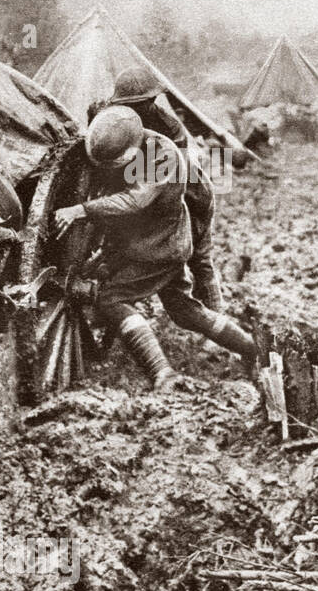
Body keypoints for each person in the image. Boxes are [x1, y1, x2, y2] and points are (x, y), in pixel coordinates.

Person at [53, 106, 256, 390]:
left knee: (110, 298)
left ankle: (163, 373)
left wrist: (81, 210)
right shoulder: (124, 141)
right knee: (184, 310)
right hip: (152, 244)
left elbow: (134, 201)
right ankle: (254, 350)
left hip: (159, 249)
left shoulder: (162, 155)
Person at [91, 66, 225, 311]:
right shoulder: (118, 117)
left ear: (151, 100)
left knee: (200, 259)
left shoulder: (170, 129)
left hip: (189, 195)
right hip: (148, 189)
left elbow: (172, 182)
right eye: (127, 103)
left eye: (139, 103)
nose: (134, 109)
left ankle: (217, 313)